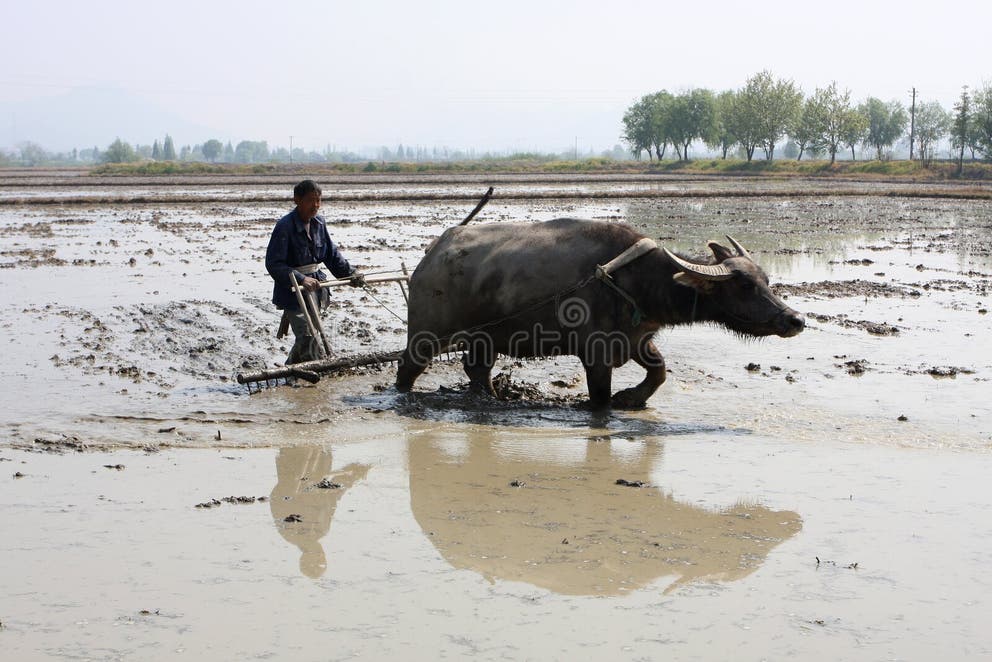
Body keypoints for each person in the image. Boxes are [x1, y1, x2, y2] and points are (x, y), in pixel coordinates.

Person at [265, 179, 364, 365]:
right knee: (308, 336)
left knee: (309, 333)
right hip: (293, 293)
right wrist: (301, 279)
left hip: (316, 290)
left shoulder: (319, 224)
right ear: (297, 200)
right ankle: (320, 379)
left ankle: (291, 370)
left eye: (319, 200)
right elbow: (273, 263)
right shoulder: (284, 227)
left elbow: (331, 255)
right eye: (311, 200)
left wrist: (351, 275)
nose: (316, 205)